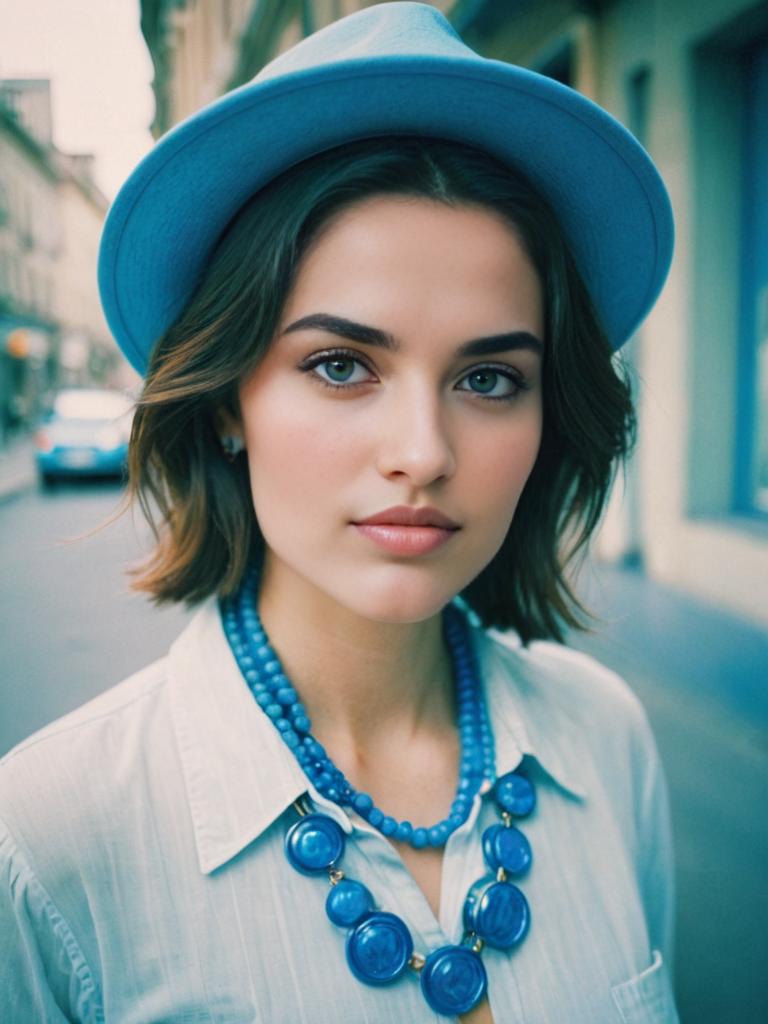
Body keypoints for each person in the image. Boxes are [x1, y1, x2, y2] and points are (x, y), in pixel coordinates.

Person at [0, 4, 678, 1022]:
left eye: (489, 378)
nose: (423, 451)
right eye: (341, 365)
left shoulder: (607, 740)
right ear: (229, 401)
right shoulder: (50, 839)